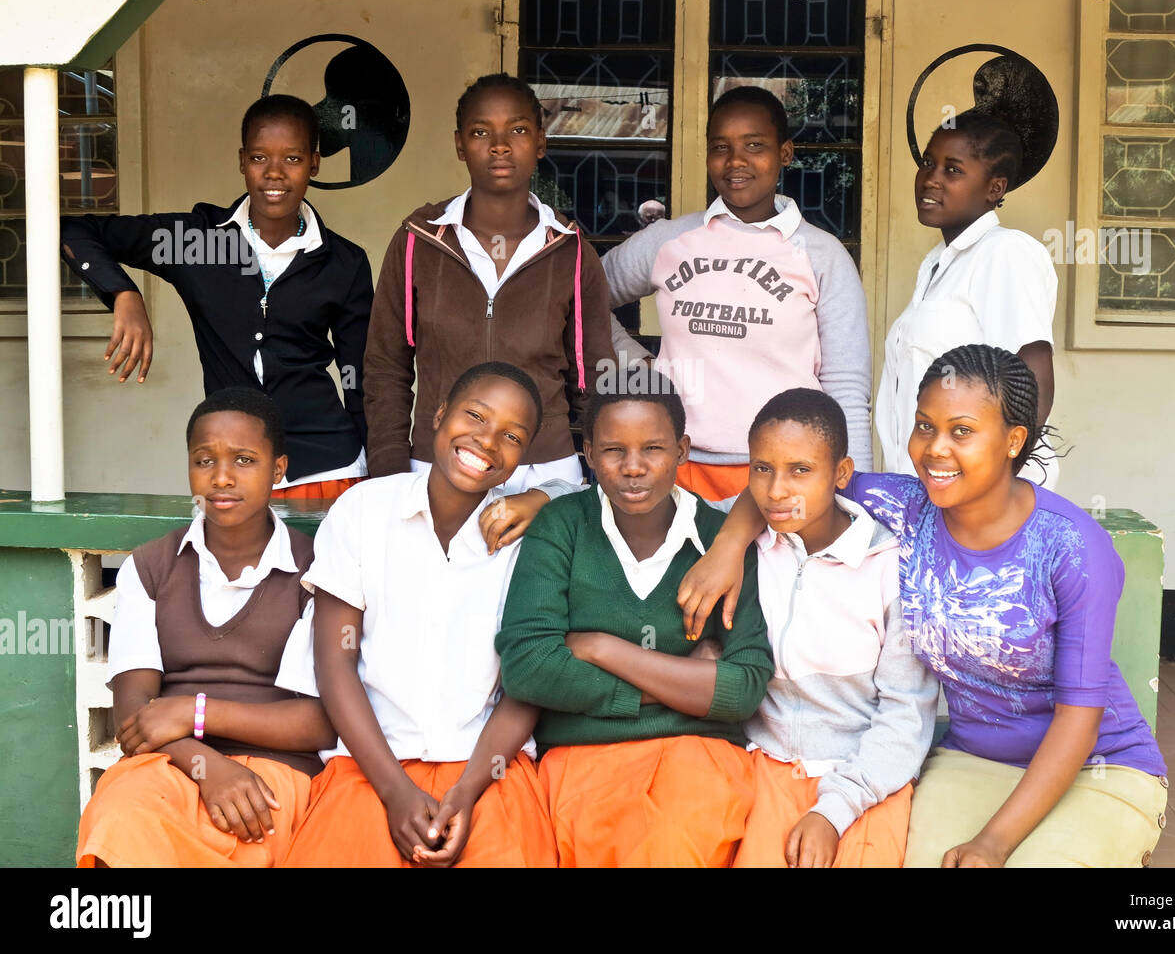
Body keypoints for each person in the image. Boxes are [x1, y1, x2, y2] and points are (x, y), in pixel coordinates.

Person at [679, 345, 1167, 868]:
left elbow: (1080, 719)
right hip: (972, 759)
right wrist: (728, 550)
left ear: (1013, 440)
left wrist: (993, 844)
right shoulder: (907, 506)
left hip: (1099, 765)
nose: (935, 449)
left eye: (962, 431)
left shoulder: (1072, 546)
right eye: (924, 426)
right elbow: (792, 483)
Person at [278, 362, 557, 868]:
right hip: (370, 764)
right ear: (438, 414)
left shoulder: (533, 542)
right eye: (474, 414)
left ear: (525, 457)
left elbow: (526, 685)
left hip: (489, 768)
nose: (486, 441)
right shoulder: (363, 511)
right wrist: (394, 792)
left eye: (511, 435)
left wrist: (468, 792)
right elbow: (335, 663)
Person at [495, 371, 774, 867]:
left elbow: (744, 687)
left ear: (683, 451)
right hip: (582, 756)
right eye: (612, 451)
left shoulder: (720, 542)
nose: (633, 468)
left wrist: (603, 648)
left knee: (674, 841)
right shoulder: (562, 526)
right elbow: (527, 666)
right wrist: (685, 678)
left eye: (653, 449)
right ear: (587, 452)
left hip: (699, 753)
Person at [61, 95, 373, 500]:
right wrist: (124, 293)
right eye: (260, 158)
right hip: (233, 474)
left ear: (314, 163)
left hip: (328, 470)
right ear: (242, 161)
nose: (274, 173)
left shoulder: (343, 261)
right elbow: (74, 230)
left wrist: (380, 474)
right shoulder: (198, 241)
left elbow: (360, 380)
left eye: (292, 159)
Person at [75, 388, 334, 867]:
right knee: (121, 816)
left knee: (253, 831)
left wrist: (193, 712)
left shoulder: (316, 572)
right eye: (204, 460)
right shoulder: (150, 568)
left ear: (278, 470)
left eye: (244, 459)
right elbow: (133, 716)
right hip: (168, 762)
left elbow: (319, 722)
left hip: (277, 773)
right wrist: (205, 764)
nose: (221, 477)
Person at [601, 85, 871, 501]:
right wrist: (638, 364)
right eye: (720, 147)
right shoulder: (669, 240)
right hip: (675, 472)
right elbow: (581, 297)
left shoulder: (822, 255)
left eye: (754, 145)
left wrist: (853, 498)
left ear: (785, 153)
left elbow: (846, 387)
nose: (736, 161)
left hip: (783, 479)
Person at [364, 73, 615, 492]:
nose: (499, 145)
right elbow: (386, 366)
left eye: (517, 130)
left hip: (544, 472)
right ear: (460, 144)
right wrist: (389, 471)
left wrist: (601, 472)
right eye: (481, 132)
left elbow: (592, 377)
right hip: (436, 465)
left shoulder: (569, 252)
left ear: (540, 143)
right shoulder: (419, 241)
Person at [731, 388, 938, 868]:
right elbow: (657, 507)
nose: (777, 490)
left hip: (866, 777)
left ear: (841, 474)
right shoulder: (747, 541)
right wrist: (542, 498)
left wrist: (834, 809)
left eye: (800, 470)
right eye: (761, 468)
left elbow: (906, 713)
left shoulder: (891, 567)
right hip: (764, 764)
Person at [878, 110, 1059, 487]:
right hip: (929, 488)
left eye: (953, 170)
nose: (931, 179)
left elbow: (1033, 367)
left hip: (978, 494)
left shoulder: (1005, 252)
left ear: (995, 188)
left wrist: (999, 483)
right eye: (928, 163)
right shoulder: (936, 266)